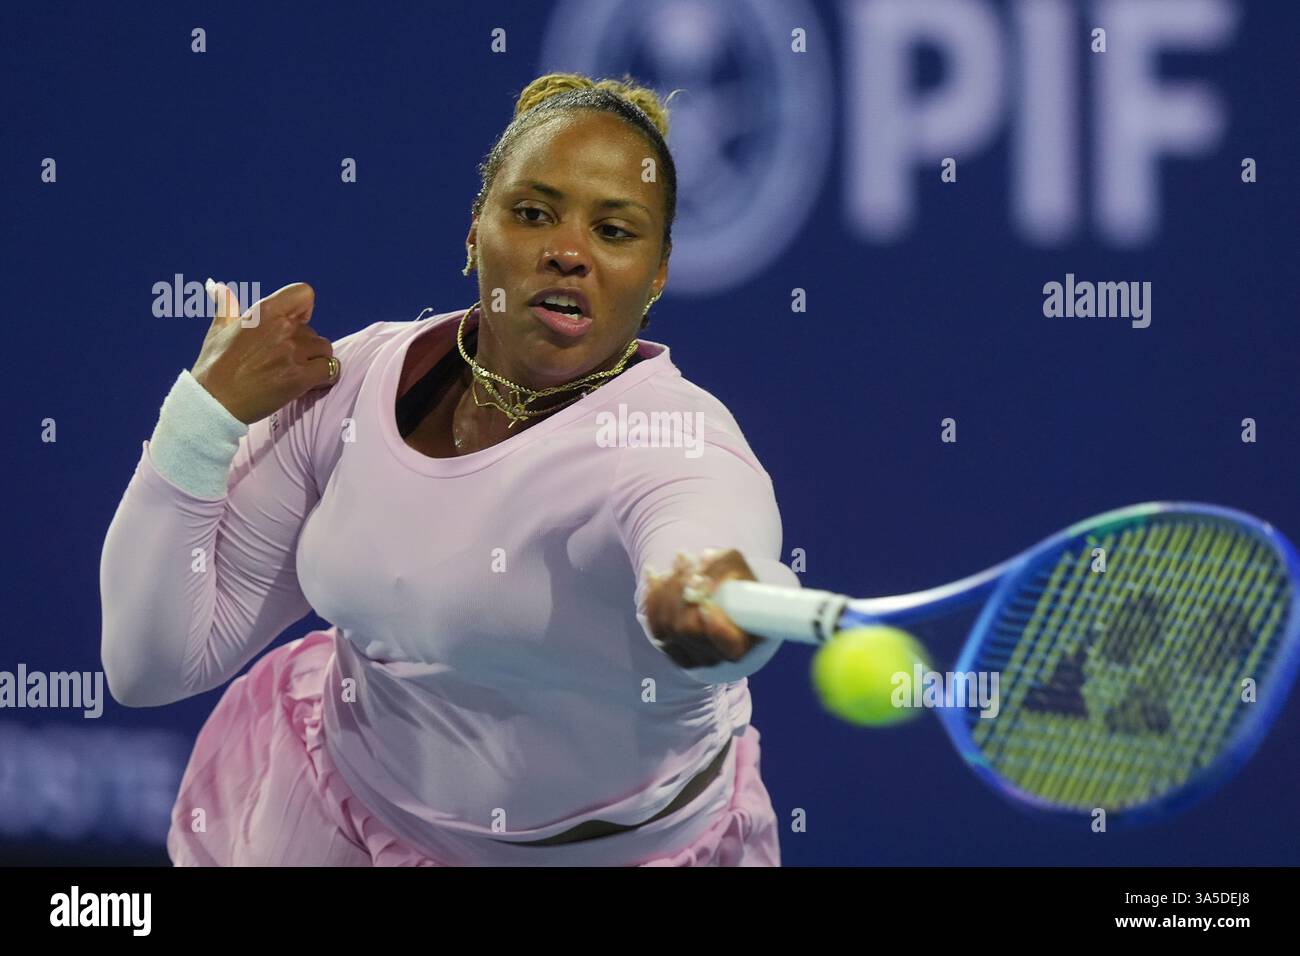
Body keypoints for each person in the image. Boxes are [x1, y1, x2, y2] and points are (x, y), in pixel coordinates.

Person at [100, 72, 799, 866]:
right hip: (341, 814)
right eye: (533, 214)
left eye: (615, 231)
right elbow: (151, 662)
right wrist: (202, 416)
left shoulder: (680, 443)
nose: (568, 252)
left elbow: (704, 549)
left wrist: (705, 602)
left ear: (659, 274)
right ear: (475, 233)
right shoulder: (347, 384)